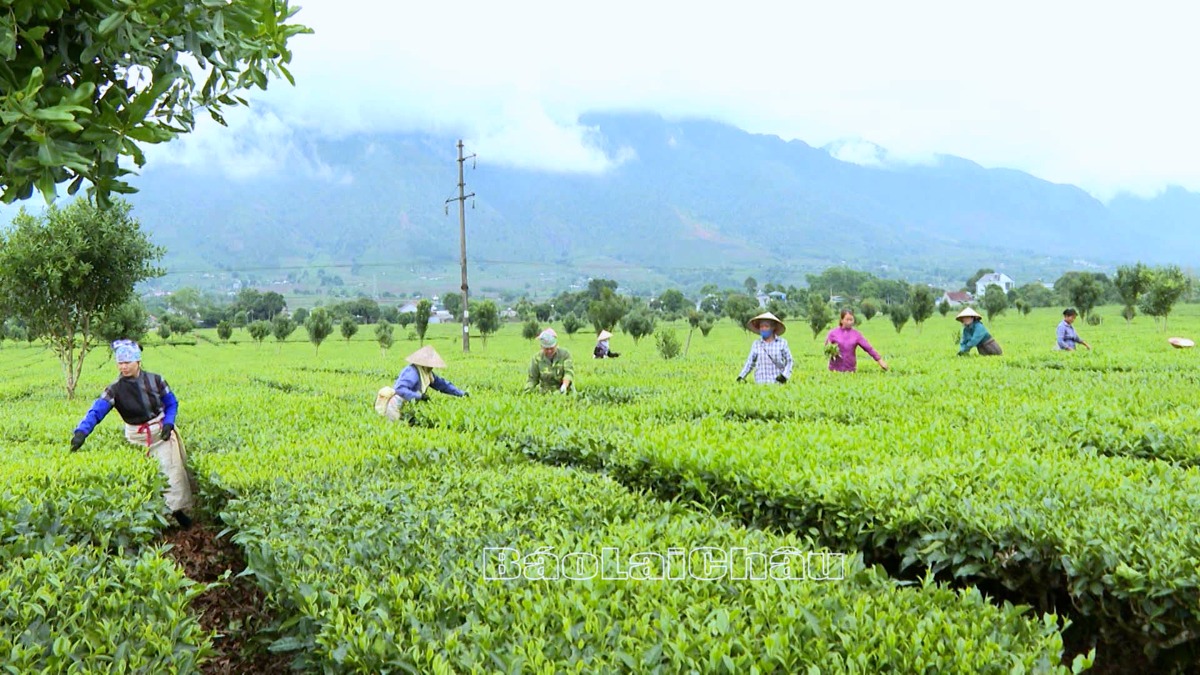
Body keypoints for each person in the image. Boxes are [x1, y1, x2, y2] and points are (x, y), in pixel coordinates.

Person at [70, 339, 195, 528]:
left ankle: (177, 512)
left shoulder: (156, 380)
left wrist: (169, 423)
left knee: (172, 473)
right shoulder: (114, 389)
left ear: (138, 361)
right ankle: (150, 518)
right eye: (120, 363)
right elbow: (97, 410)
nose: (124, 367)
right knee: (143, 479)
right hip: (136, 437)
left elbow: (171, 403)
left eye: (127, 362)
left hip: (160, 433)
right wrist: (82, 431)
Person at [376, 345, 467, 421]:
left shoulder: (427, 374)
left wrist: (460, 393)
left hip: (407, 405)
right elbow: (400, 389)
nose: (432, 367)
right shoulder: (412, 372)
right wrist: (419, 396)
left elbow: (442, 385)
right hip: (395, 406)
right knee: (398, 428)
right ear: (424, 364)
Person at [737, 312, 794, 384]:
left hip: (778, 383)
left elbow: (789, 361)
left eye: (766, 326)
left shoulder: (782, 343)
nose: (763, 329)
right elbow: (750, 363)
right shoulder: (756, 344)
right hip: (760, 383)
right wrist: (741, 376)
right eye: (761, 326)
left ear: (773, 328)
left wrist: (785, 376)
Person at [526, 328, 574, 393]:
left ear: (556, 345)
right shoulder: (536, 358)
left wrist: (564, 386)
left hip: (565, 392)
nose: (549, 351)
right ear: (541, 347)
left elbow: (569, 373)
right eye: (546, 349)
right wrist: (527, 391)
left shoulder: (565, 354)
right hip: (546, 393)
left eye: (551, 348)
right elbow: (532, 379)